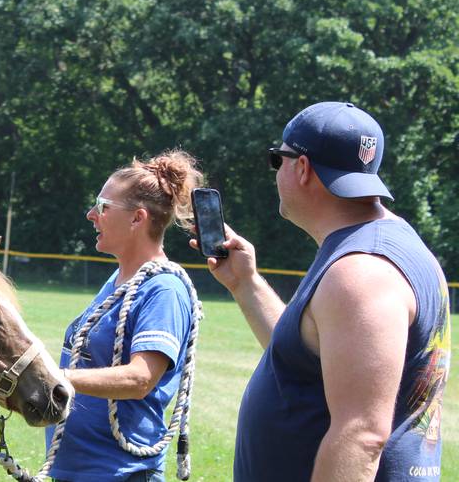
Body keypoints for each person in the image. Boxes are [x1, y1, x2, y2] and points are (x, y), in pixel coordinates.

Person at [199, 101, 449, 482]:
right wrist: (245, 284)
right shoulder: (377, 247)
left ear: (301, 168)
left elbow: (362, 435)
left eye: (277, 159)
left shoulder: (361, 273)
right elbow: (312, 358)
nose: (276, 171)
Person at [44, 150, 202, 482]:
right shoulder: (119, 282)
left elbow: (140, 379)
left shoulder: (163, 290)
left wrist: (52, 378)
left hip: (120, 474)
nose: (91, 215)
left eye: (102, 207)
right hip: (80, 472)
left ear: (137, 219)